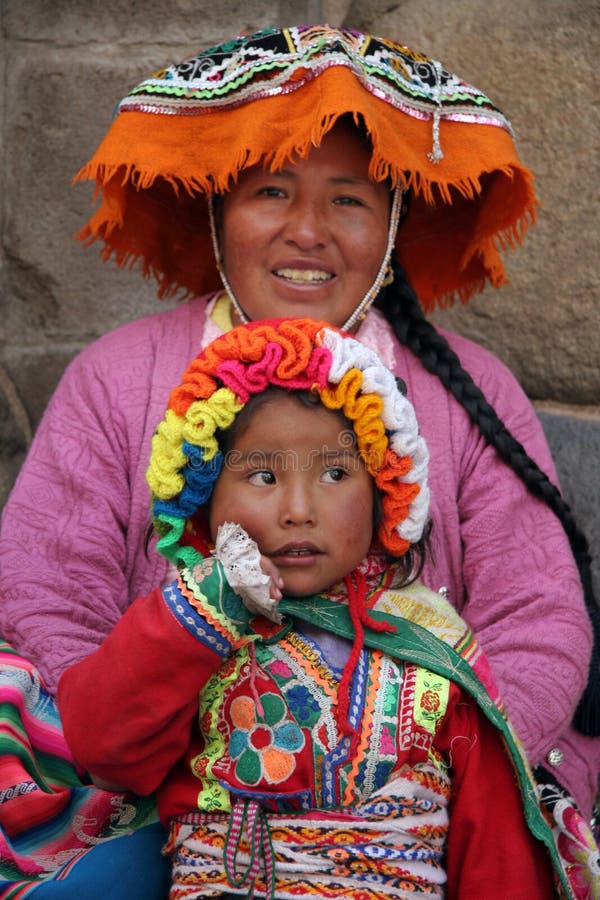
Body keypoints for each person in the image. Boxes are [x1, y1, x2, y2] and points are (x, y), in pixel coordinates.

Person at [0, 22, 598, 896]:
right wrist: (192, 736)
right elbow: (47, 596)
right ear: (217, 210)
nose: (308, 231)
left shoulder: (475, 392)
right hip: (166, 787)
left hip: (422, 800)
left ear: (393, 224)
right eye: (271, 191)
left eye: (349, 199)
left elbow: (540, 617)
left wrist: (410, 752)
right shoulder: (117, 379)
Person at [58, 317, 567, 897]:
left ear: (384, 492)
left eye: (334, 472)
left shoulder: (435, 649)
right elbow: (103, 750)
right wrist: (200, 612)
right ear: (203, 500)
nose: (298, 509)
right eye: (263, 474)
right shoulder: (185, 628)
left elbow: (495, 851)